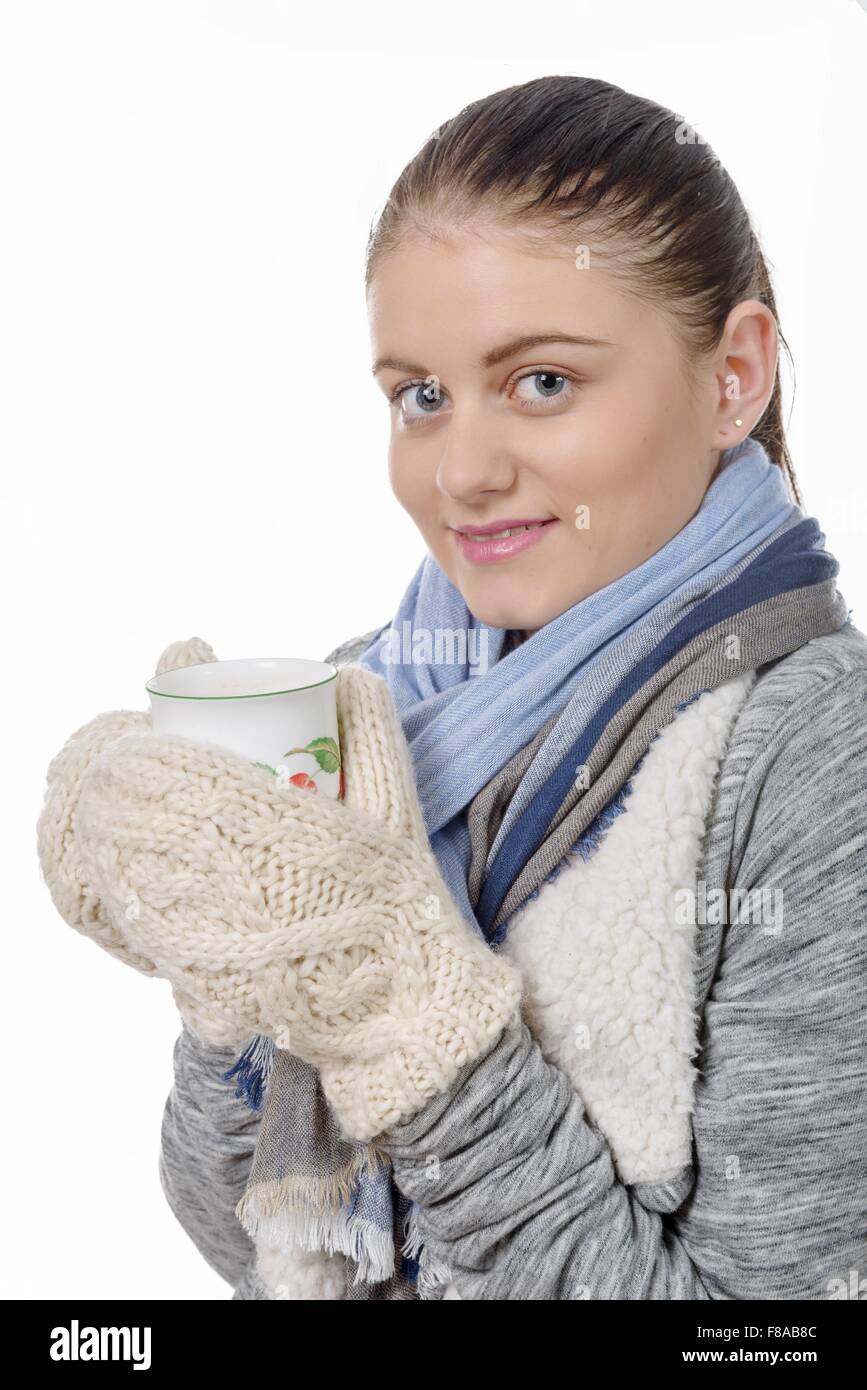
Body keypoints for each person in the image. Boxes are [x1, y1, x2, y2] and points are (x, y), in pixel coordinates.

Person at [38, 74, 867, 1301]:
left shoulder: (811, 747)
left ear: (734, 374)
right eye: (419, 396)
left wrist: (420, 1033)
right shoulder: (384, 694)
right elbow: (261, 1249)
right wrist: (225, 981)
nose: (463, 470)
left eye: (542, 381)